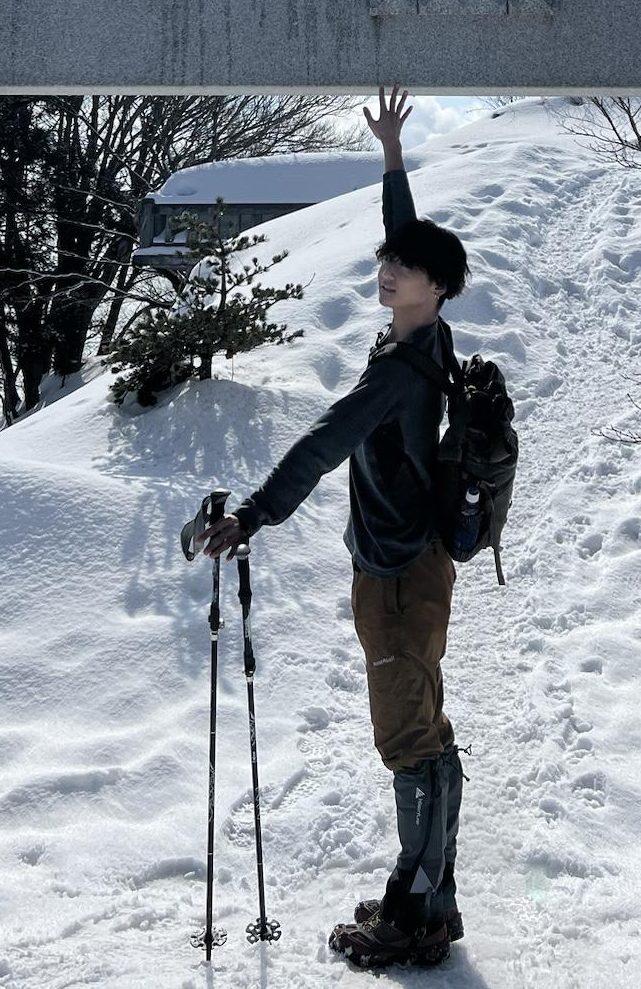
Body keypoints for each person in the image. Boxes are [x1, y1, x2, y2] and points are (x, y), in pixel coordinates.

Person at [197, 84, 470, 970]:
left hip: (393, 578)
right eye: (387, 260)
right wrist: (394, 163)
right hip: (412, 566)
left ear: (435, 289)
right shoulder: (426, 339)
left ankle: (415, 916)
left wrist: (254, 514)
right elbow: (418, 245)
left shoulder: (397, 373)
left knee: (408, 741)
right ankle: (431, 896)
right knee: (425, 730)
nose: (386, 270)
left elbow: (323, 442)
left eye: (404, 268)